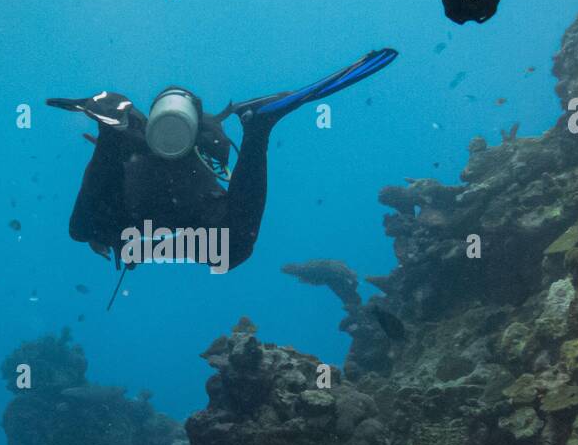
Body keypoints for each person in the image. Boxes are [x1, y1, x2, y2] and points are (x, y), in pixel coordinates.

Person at [48, 49, 397, 287]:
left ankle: (112, 131)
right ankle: (256, 127)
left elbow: (118, 232)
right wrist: (143, 247)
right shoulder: (206, 134)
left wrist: (138, 247)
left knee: (83, 229)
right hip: (184, 193)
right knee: (230, 250)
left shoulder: (120, 219)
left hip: (144, 180)